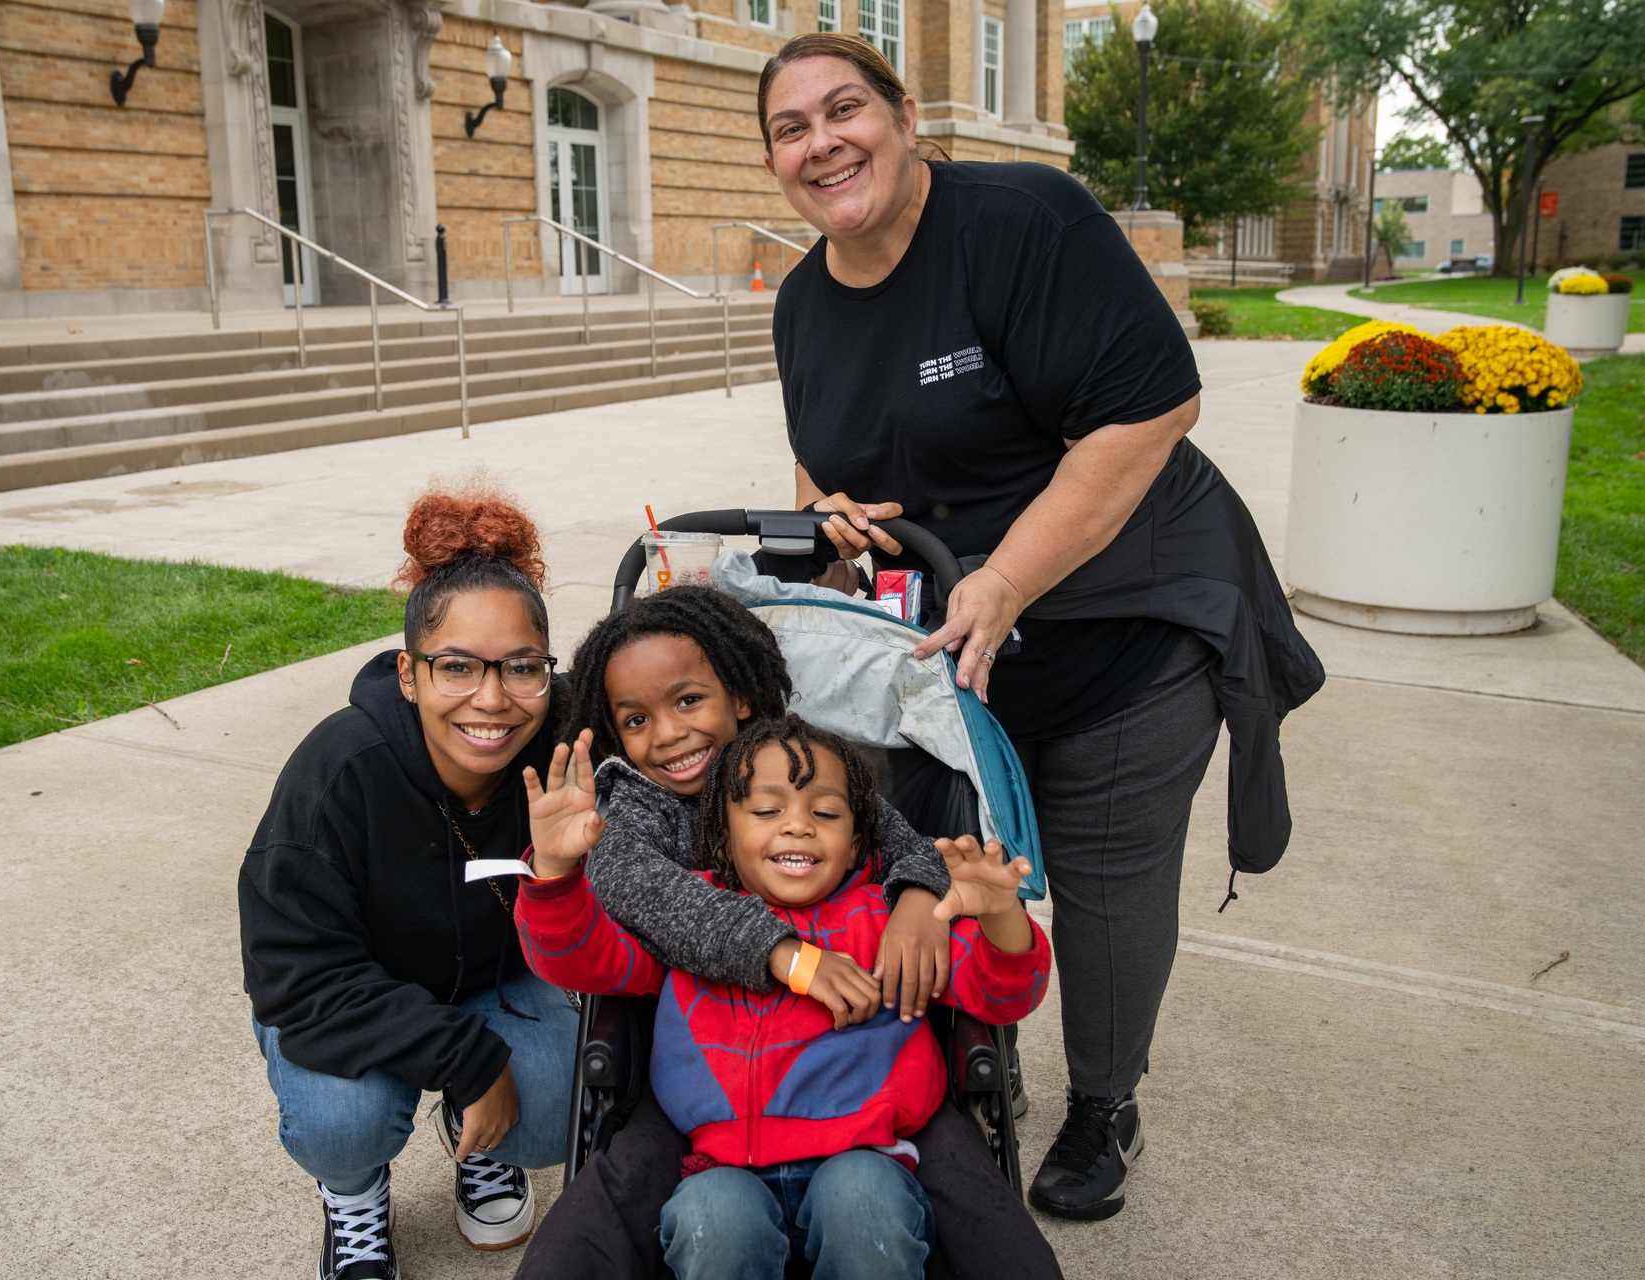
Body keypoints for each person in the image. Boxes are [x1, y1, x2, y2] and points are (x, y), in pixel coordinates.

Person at [759, 33, 1325, 1221]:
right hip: (956, 647)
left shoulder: (1024, 220)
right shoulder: (804, 297)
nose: (822, 143)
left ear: (905, 117)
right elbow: (819, 462)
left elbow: (1152, 404)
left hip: (1131, 618)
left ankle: (1105, 1100)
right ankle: (962, 1065)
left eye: (844, 109)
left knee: (1111, 882)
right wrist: (834, 517)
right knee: (938, 864)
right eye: (791, 129)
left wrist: (1009, 575)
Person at [512, 586, 1064, 1279]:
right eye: (637, 718)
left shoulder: (811, 772)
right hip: (707, 1078)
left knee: (982, 1222)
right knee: (606, 1223)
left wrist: (923, 897)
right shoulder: (635, 808)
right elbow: (620, 908)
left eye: (689, 701)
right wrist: (784, 954)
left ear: (741, 695)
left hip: (865, 1099)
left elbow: (901, 842)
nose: (670, 733)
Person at [238, 486, 579, 1280]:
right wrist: (471, 1060)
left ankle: (479, 1141)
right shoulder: (338, 772)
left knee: (560, 1106)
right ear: (409, 673)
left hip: (499, 979)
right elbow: (295, 977)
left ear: (546, 670)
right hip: (356, 996)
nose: (491, 700)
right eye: (457, 667)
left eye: (521, 668)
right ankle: (354, 1195)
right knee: (340, 1124)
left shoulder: (567, 745)